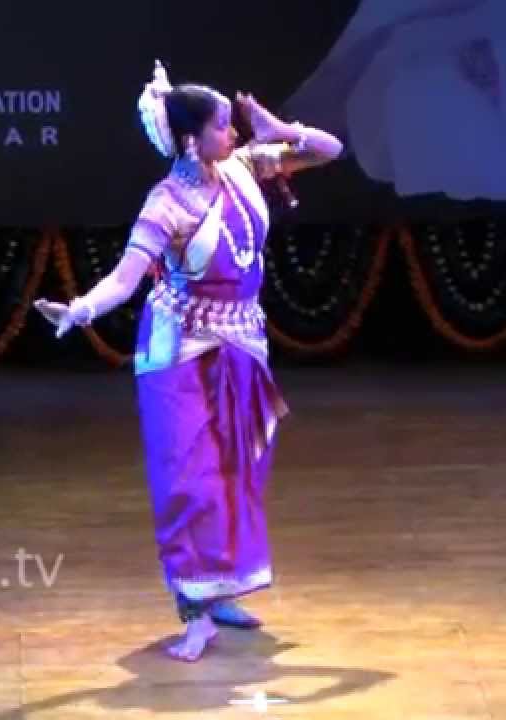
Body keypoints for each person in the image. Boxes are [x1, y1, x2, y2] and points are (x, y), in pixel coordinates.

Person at [34, 60, 343, 662]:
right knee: (189, 481)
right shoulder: (167, 204)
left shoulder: (245, 167)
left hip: (243, 341)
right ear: (188, 139)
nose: (234, 134)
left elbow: (330, 148)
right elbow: (125, 279)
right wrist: (78, 309)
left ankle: (222, 593)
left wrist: (274, 123)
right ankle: (192, 610)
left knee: (237, 474)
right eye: (224, 126)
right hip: (180, 350)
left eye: (233, 124)